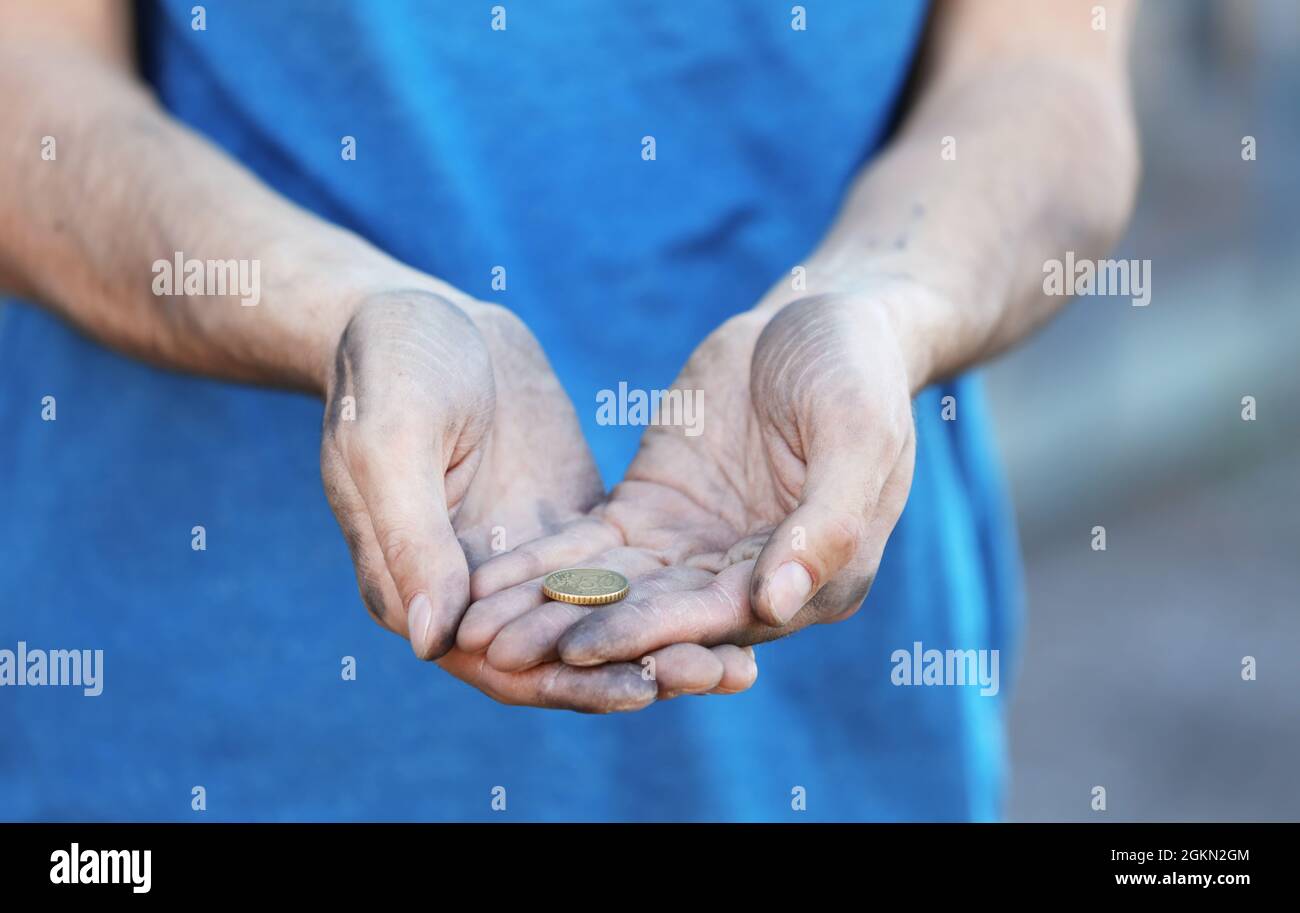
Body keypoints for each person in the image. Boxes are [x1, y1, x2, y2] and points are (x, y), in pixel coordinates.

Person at [0, 0, 1137, 820]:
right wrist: (344, 315)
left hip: (829, 745)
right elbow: (26, 85)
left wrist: (883, 307)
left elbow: (1048, 73)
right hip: (188, 738)